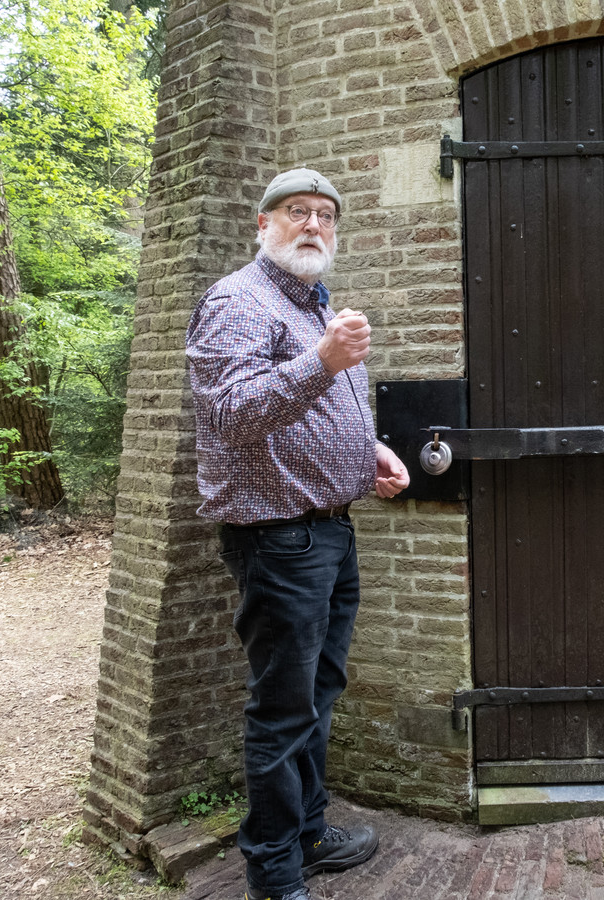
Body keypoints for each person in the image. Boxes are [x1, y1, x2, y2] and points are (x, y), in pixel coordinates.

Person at [185, 168, 410, 900]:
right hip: (278, 541)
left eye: (324, 216)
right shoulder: (237, 301)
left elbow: (321, 410)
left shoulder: (316, 305)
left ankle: (308, 832)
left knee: (318, 694)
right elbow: (234, 415)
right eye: (295, 213)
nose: (313, 225)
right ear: (263, 225)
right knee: (282, 711)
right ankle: (275, 871)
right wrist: (322, 362)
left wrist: (368, 452)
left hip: (329, 533)